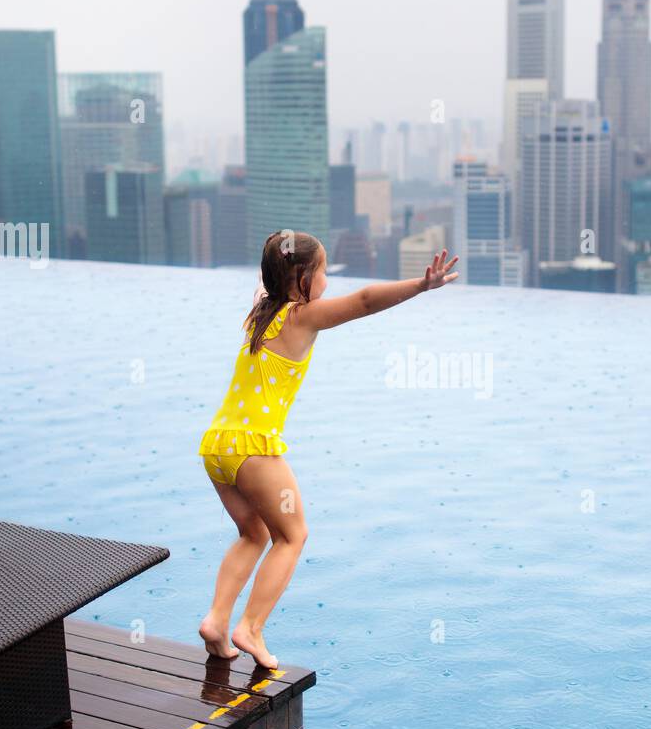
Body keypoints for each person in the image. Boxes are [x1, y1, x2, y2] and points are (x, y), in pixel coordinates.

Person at [197, 230, 459, 668]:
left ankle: (216, 621)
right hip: (254, 449)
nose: (327, 281)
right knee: (292, 535)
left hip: (217, 445)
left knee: (254, 533)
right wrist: (421, 285)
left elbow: (273, 264)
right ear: (301, 277)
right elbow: (365, 301)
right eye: (322, 271)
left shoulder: (260, 311)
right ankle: (251, 628)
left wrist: (283, 247)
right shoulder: (301, 317)